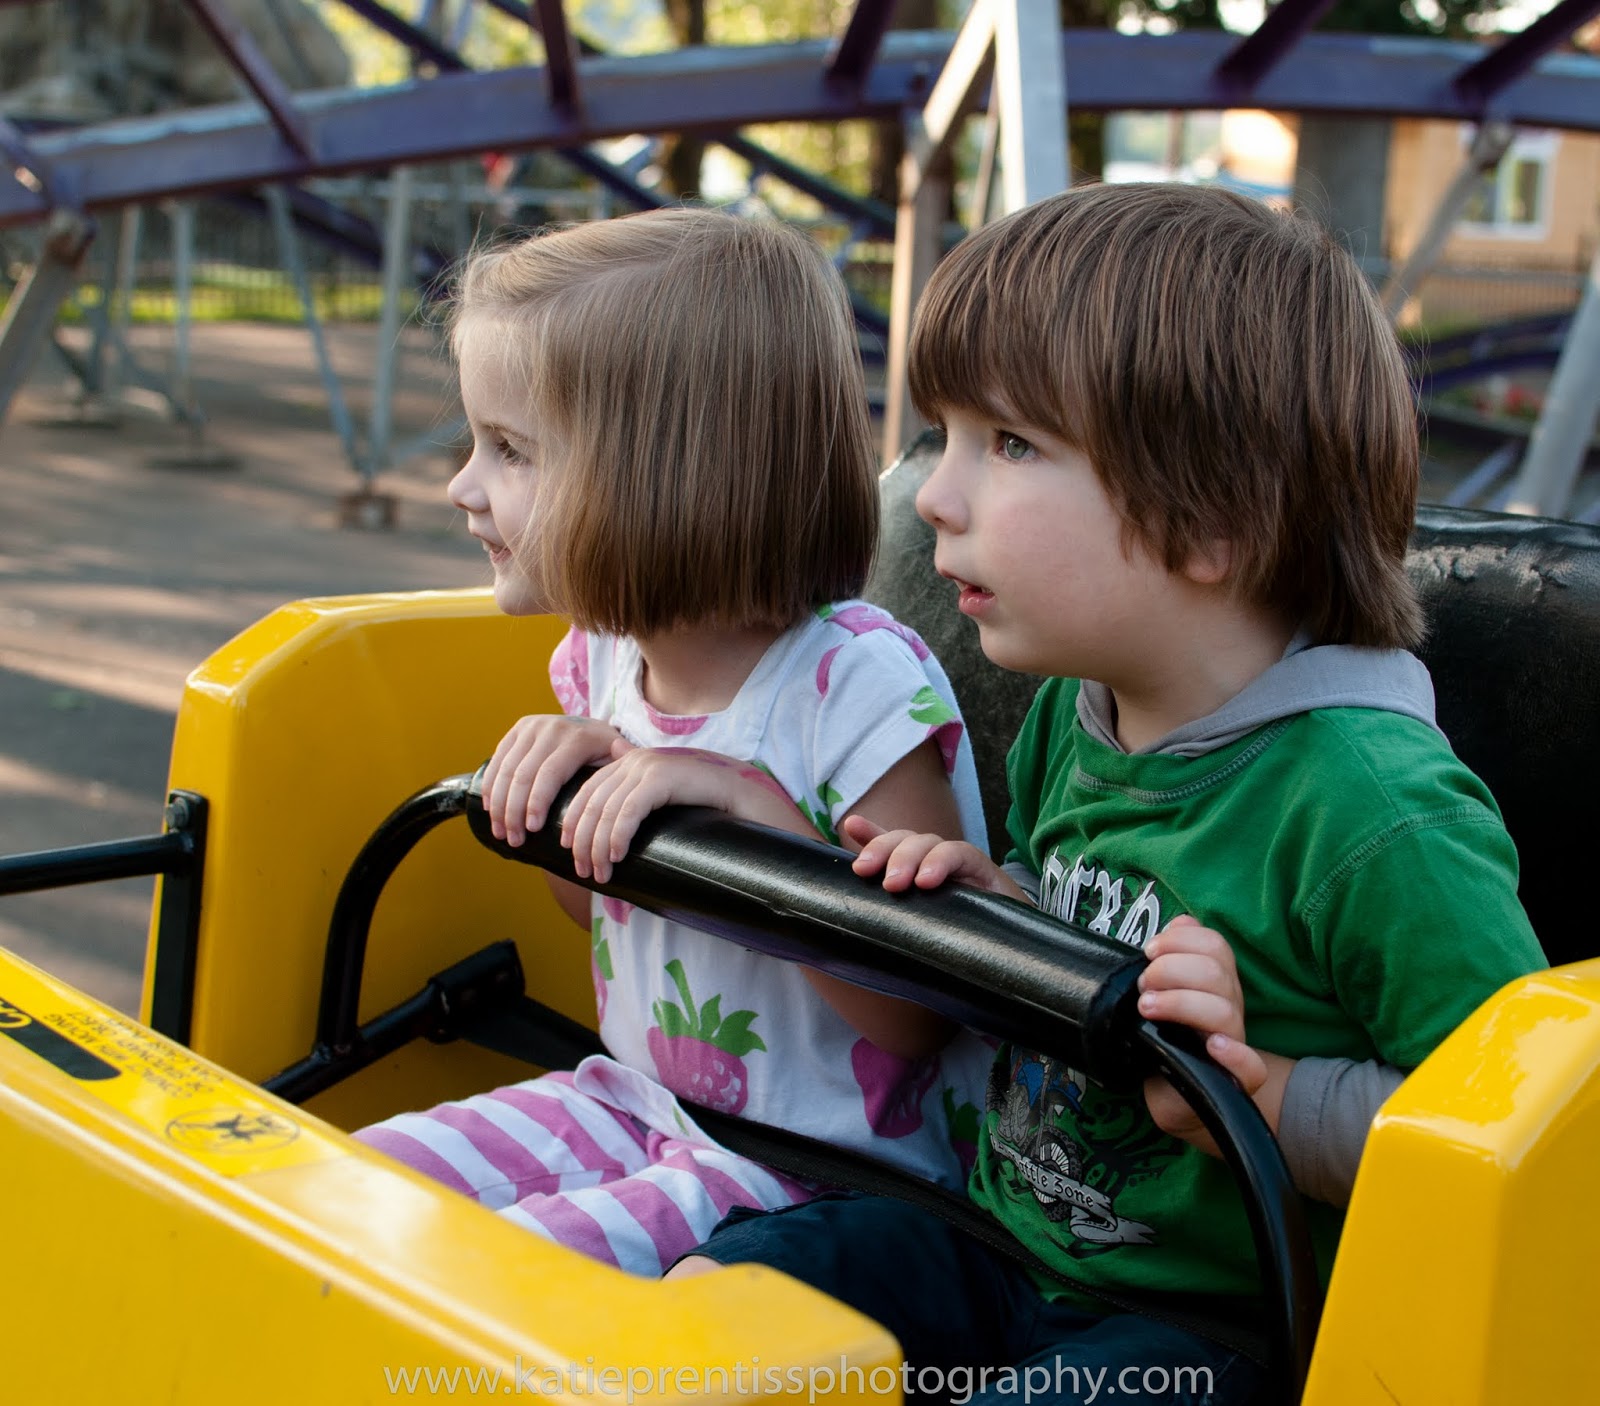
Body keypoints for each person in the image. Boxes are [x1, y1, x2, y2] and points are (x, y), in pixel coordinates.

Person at [668, 184, 1546, 1404]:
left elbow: (1522, 1145)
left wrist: (1273, 1095)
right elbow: (1082, 919)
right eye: (950, 435)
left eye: (1010, 444)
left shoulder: (1372, 810)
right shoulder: (1078, 716)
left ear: (1211, 520)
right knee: (723, 1299)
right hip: (1007, 1242)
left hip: (1231, 1326)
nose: (932, 494)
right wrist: (996, 907)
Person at [354, 208, 993, 1279]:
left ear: (661, 474)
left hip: (814, 1171)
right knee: (349, 1193)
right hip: (636, 1100)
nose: (463, 485)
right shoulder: (600, 654)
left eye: (508, 448)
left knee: (491, 1284)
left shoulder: (854, 687)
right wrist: (566, 801)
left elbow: (919, 1014)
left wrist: (758, 816)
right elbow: (598, 909)